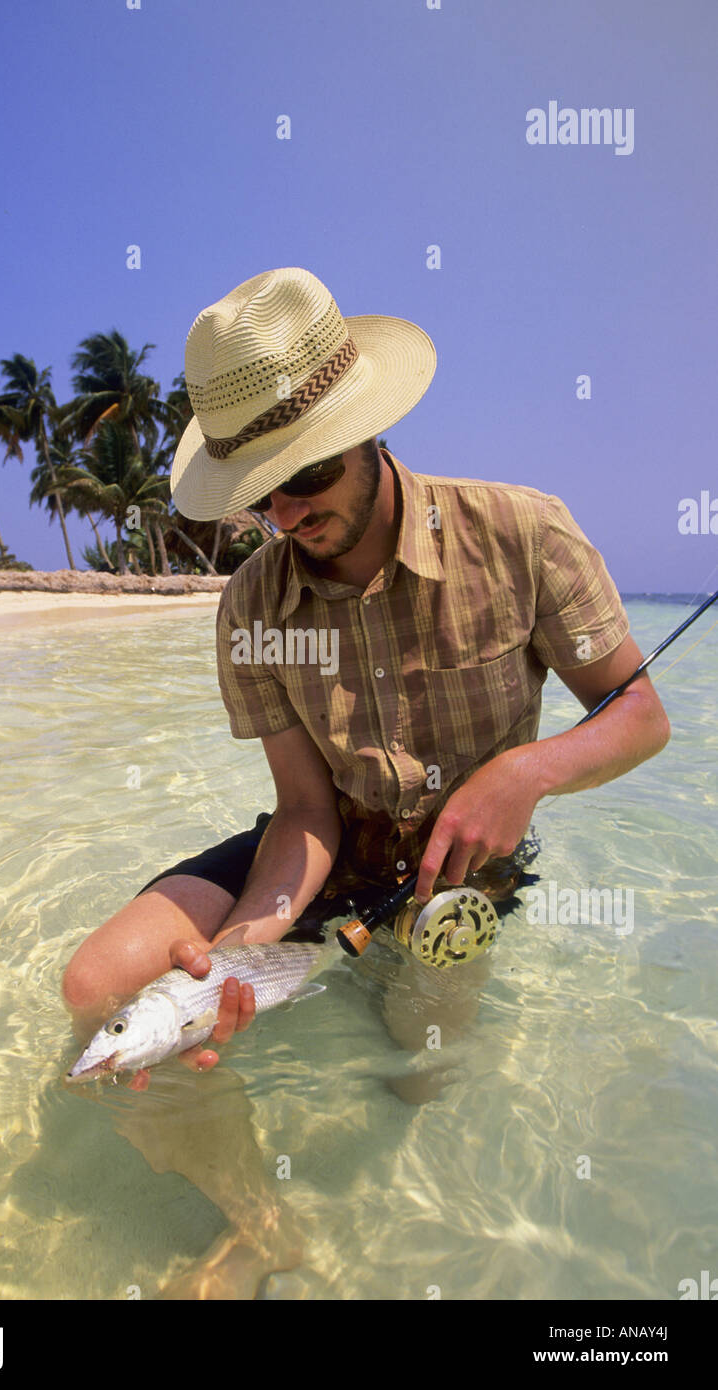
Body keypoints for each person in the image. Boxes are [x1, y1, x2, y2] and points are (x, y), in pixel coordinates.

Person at [63, 265, 671, 1084]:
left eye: (307, 475)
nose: (285, 517)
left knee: (418, 1070)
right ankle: (252, 1213)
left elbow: (639, 715)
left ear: (368, 430)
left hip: (460, 874)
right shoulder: (251, 605)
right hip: (326, 848)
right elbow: (307, 809)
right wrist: (244, 950)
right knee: (98, 992)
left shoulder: (525, 535)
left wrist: (527, 772)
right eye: (261, 493)